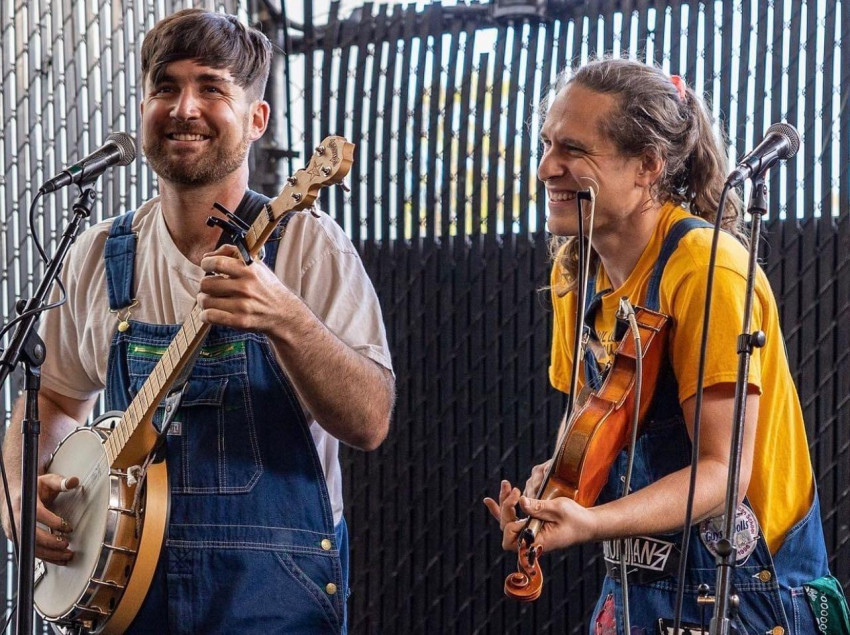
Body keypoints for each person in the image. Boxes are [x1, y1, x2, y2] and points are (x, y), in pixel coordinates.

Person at [1, 8, 394, 634]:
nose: (184, 107)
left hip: (271, 590)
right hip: (124, 588)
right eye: (165, 87)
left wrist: (285, 318)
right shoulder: (101, 253)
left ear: (257, 119)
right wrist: (20, 496)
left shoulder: (307, 246)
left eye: (211, 87)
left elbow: (370, 420)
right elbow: (52, 396)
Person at [485, 58, 849, 633]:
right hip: (635, 584)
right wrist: (549, 496)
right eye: (547, 143)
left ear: (647, 166)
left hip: (749, 596)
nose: (546, 168)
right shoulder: (574, 275)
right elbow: (586, 423)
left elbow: (720, 475)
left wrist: (591, 522)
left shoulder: (707, 270)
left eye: (574, 151)